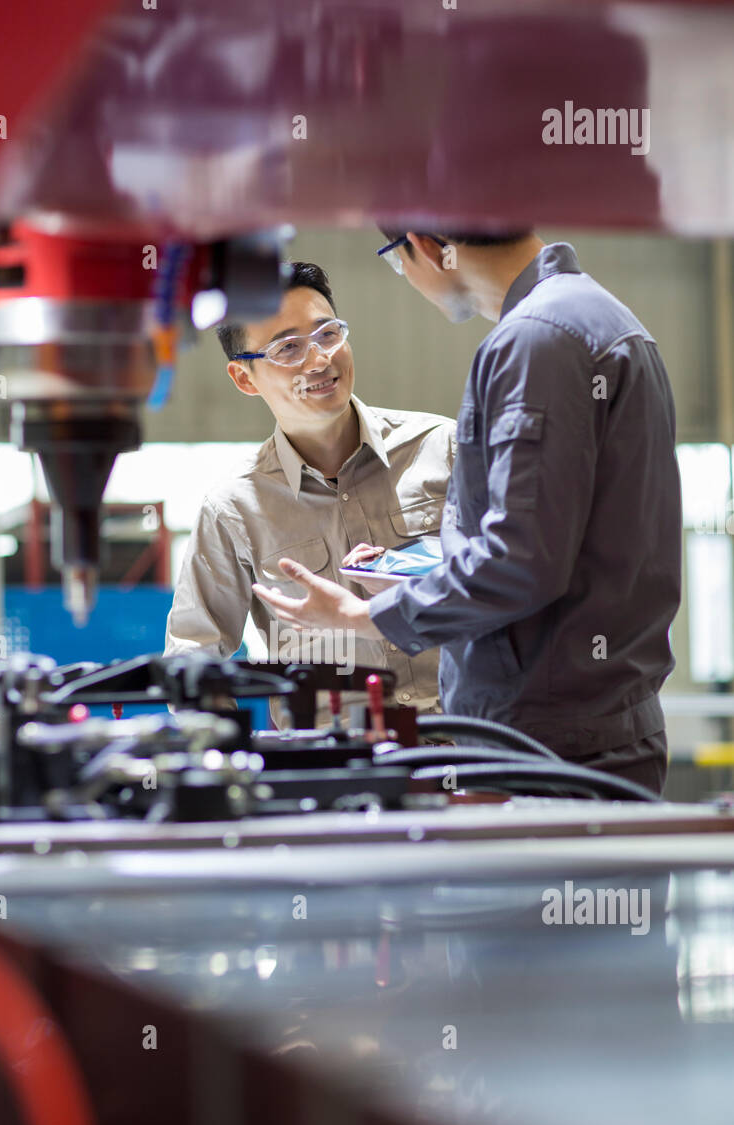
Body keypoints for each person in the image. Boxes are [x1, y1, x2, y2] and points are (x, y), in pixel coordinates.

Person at [253, 232, 682, 793]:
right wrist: (421, 571)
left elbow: (521, 562)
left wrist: (366, 616)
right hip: (580, 735)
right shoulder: (595, 318)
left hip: (548, 750)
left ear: (428, 246)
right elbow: (562, 547)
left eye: (398, 262)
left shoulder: (537, 340)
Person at [163, 261, 457, 724]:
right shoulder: (234, 509)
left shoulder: (443, 449)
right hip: (333, 772)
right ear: (244, 378)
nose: (319, 360)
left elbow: (511, 585)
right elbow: (194, 660)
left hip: (474, 755)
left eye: (327, 335)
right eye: (288, 348)